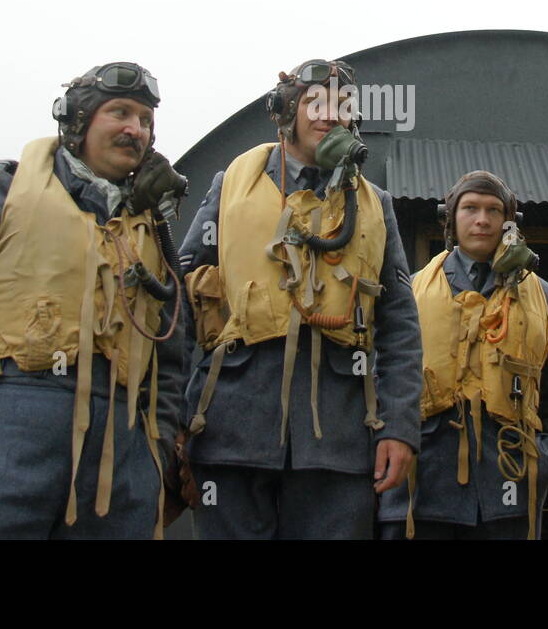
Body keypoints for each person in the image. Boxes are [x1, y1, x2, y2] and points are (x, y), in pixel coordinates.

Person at [0, 62, 190, 539]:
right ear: (79, 121)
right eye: (120, 113)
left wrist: (156, 450)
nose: (136, 129)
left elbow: (171, 359)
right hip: (5, 429)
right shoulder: (5, 189)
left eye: (146, 120)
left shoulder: (154, 227)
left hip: (120, 454)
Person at [178, 59, 423, 538]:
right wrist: (173, 416)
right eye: (316, 103)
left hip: (338, 438)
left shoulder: (377, 206)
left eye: (344, 106)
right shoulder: (230, 186)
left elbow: (400, 327)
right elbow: (183, 303)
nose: (331, 115)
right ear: (284, 112)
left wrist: (398, 428)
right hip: (229, 428)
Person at [378, 171, 548, 539]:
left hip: (510, 484)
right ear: (451, 220)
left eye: (494, 210)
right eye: (470, 208)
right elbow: (384, 379)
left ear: (509, 222)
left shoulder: (543, 296)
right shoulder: (410, 292)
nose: (482, 220)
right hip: (422, 485)